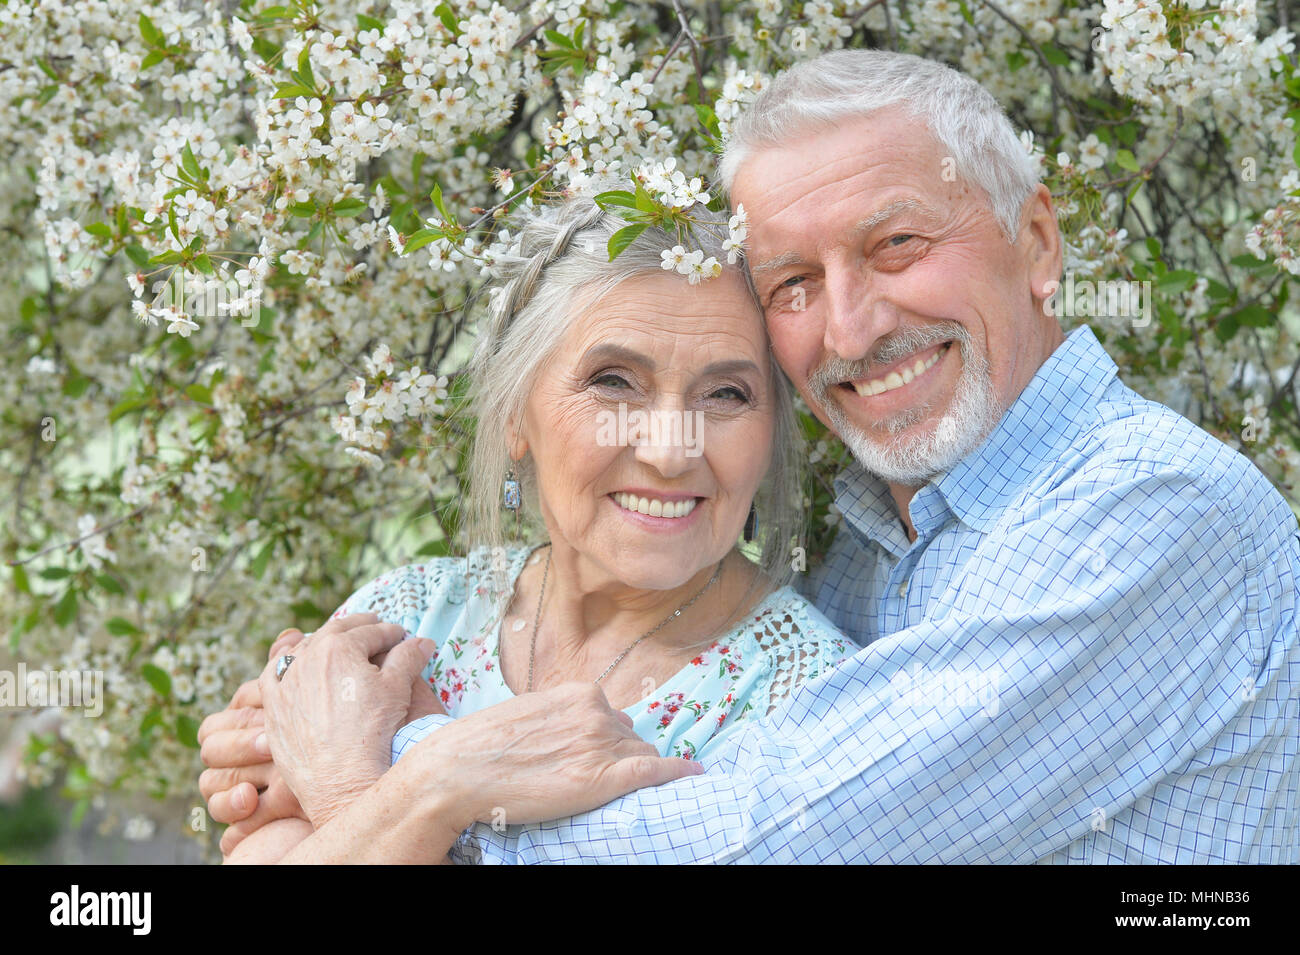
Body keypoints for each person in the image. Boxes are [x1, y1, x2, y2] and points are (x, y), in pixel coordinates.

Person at [203, 49, 1299, 863]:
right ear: (515, 416)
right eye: (792, 284)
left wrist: (387, 780)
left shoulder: (1152, 515)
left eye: (896, 244)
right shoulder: (877, 536)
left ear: (1039, 244)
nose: (856, 326)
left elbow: (773, 836)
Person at [200, 198, 852, 863]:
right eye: (614, 381)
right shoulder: (411, 616)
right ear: (517, 413)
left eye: (725, 394)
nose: (669, 451)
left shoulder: (805, 708)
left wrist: (382, 793)